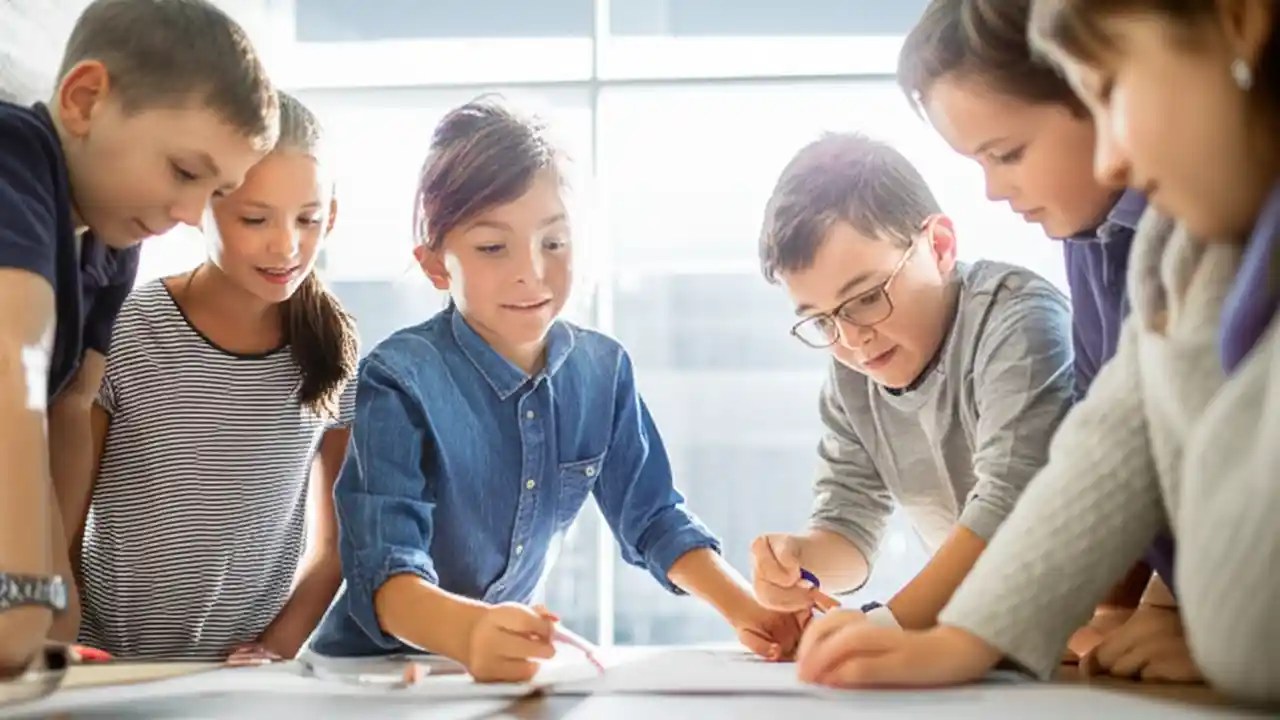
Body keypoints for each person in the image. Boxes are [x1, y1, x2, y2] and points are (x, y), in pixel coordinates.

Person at [795, 0, 1280, 705]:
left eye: (1108, 90)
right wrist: (968, 638)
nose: (1113, 158)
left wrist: (1180, 610)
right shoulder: (1175, 248)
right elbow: (1113, 440)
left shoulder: (1024, 308)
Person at [307, 98, 804, 681]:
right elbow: (384, 572)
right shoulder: (399, 377)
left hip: (499, 668)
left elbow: (654, 519)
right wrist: (470, 634)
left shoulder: (602, 371)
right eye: (493, 248)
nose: (532, 271)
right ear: (436, 265)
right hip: (372, 675)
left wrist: (748, 610)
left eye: (554, 242)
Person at [0, 0, 276, 673]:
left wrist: (57, 595)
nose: (190, 213)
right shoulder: (12, 155)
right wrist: (21, 599)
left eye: (216, 192)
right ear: (85, 100)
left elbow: (71, 406)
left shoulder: (110, 241)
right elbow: (12, 357)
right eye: (184, 171)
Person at [749, 132, 1073, 634]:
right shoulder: (854, 372)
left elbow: (1009, 507)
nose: (852, 340)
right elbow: (848, 524)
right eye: (821, 320)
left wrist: (888, 628)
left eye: (866, 297)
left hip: (1103, 619)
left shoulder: (1018, 322)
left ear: (939, 246)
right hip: (997, 631)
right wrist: (799, 563)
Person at [70, 92, 355, 663]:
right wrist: (69, 649)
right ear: (199, 207)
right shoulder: (128, 329)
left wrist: (272, 651)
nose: (286, 245)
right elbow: (63, 527)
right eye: (255, 219)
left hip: (239, 680)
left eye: (307, 219)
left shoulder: (334, 349)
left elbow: (335, 549)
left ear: (331, 216)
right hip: (103, 668)